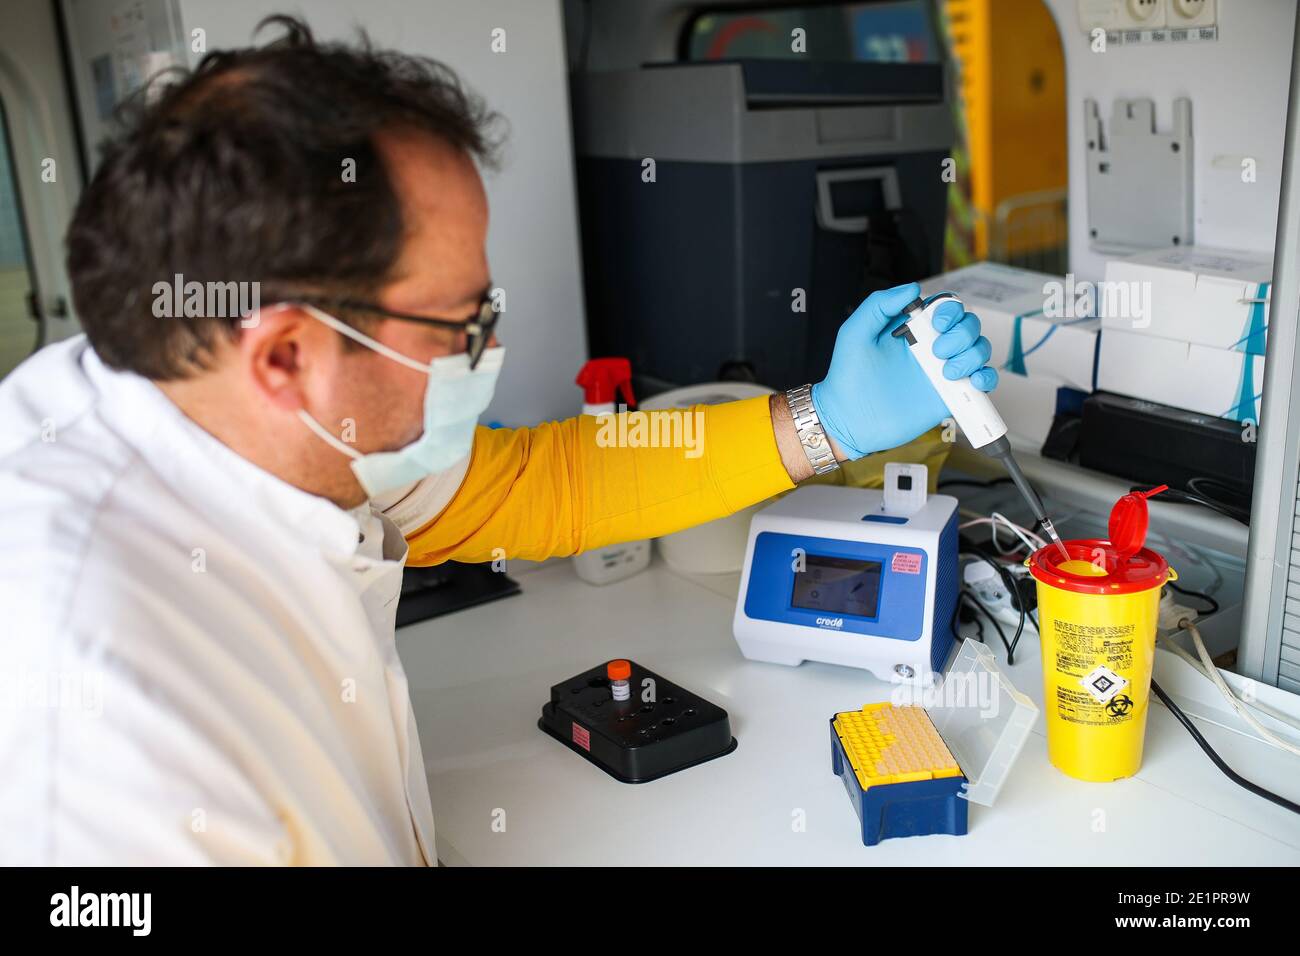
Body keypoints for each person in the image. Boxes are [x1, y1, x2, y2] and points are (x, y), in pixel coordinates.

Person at [0, 17, 996, 864]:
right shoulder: (96, 709)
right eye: (463, 323)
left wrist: (827, 419)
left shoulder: (248, 415)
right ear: (287, 356)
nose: (493, 348)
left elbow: (537, 484)